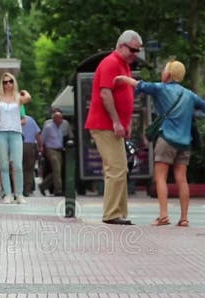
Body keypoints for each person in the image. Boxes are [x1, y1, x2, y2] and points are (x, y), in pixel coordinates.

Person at [117, 60, 205, 227]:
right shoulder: (189, 94)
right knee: (182, 179)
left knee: (160, 178)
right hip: (185, 142)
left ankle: (163, 215)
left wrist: (122, 78)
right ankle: (184, 218)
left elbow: (140, 85)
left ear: (167, 75)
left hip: (166, 139)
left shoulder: (161, 88)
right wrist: (190, 114)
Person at [84, 30, 143, 225]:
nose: (135, 54)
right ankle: (111, 213)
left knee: (120, 168)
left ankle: (118, 212)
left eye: (138, 51)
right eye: (133, 50)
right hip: (104, 124)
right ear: (122, 45)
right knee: (116, 168)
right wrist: (117, 121)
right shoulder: (111, 63)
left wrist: (124, 124)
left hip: (113, 125)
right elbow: (105, 94)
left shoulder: (124, 65)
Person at [0, 72, 31, 204]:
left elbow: (28, 98)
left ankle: (19, 194)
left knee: (18, 165)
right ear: (1, 84)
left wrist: (23, 91)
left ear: (14, 82)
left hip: (16, 133)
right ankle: (8, 194)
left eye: (10, 81)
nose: (8, 84)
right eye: (5, 82)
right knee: (3, 165)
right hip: (1, 133)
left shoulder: (18, 97)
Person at [40, 108, 73, 196]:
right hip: (51, 150)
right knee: (57, 169)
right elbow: (42, 139)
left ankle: (43, 185)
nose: (61, 120)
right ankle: (58, 190)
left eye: (61, 118)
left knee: (57, 171)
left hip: (59, 150)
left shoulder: (61, 127)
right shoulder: (48, 127)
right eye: (59, 118)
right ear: (54, 119)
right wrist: (41, 149)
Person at [21, 114, 42, 197]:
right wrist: (40, 146)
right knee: (29, 169)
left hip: (18, 145)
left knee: (18, 168)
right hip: (30, 146)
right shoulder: (31, 119)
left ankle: (19, 188)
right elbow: (38, 134)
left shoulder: (12, 119)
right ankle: (27, 189)